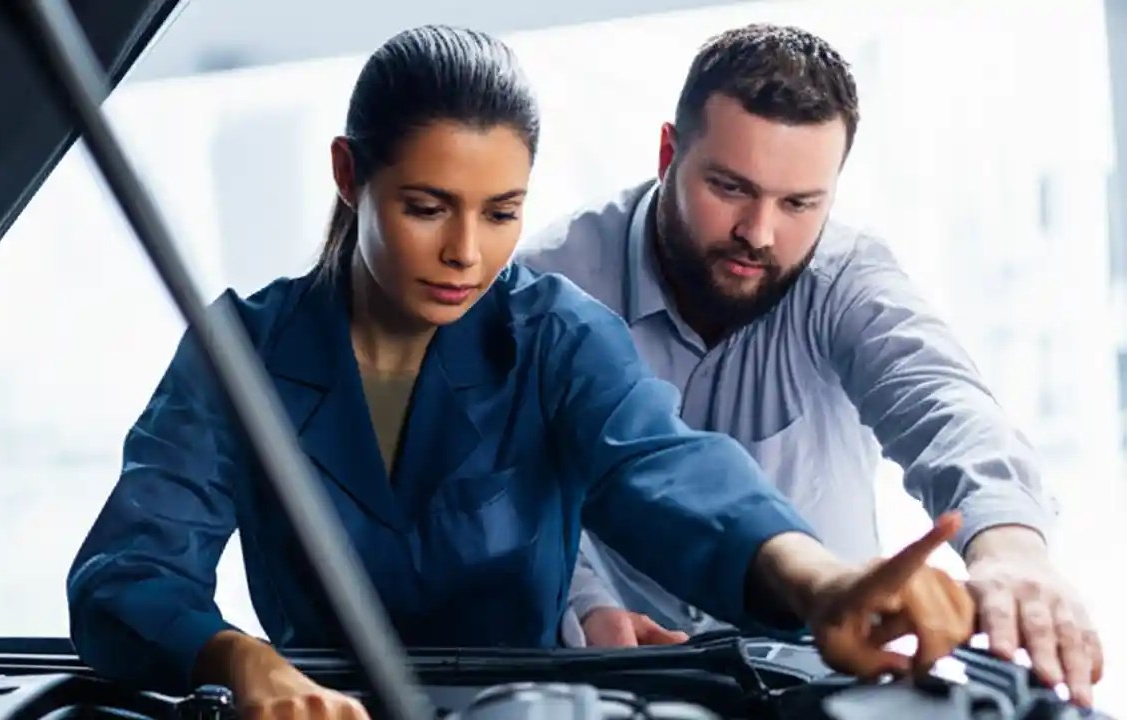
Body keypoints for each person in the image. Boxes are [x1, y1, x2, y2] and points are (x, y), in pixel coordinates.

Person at [68, 25, 974, 720]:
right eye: (428, 207)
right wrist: (241, 660)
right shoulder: (240, 352)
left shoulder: (554, 336)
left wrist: (822, 584)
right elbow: (130, 572)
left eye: (501, 212)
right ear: (350, 174)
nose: (467, 253)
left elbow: (673, 474)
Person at [519, 22, 1102, 708]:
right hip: (622, 683)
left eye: (799, 203)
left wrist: (1010, 546)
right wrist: (585, 604)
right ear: (668, 153)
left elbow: (945, 404)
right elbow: (518, 479)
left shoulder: (845, 277)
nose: (759, 233)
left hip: (828, 679)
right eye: (730, 188)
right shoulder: (552, 285)